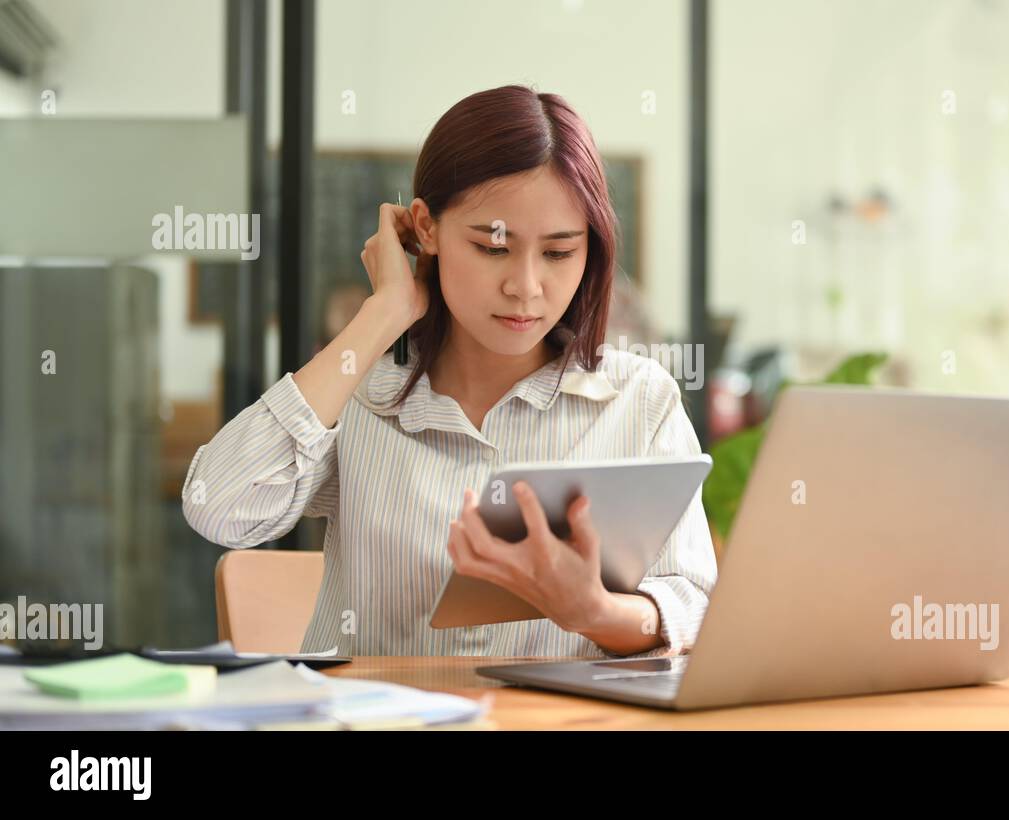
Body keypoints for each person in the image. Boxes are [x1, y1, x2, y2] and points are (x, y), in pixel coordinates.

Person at [182, 85, 716, 658]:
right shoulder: (359, 395)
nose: (526, 287)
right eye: (493, 247)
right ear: (426, 229)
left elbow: (694, 606)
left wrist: (595, 611)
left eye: (559, 253)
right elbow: (219, 505)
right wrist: (383, 313)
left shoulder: (639, 401)